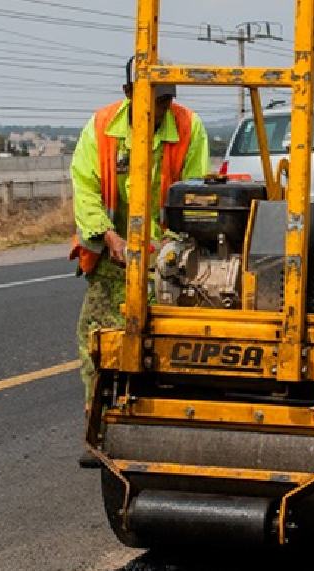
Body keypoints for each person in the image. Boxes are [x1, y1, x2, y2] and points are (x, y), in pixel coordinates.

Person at [70, 71, 209, 405]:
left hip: (167, 258)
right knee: (97, 337)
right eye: (151, 99)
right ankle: (100, 418)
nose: (159, 109)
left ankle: (161, 412)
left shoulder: (189, 127)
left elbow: (195, 193)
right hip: (112, 257)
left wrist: (172, 244)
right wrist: (109, 236)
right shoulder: (101, 126)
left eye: (165, 101)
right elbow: (84, 189)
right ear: (128, 92)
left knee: (166, 342)